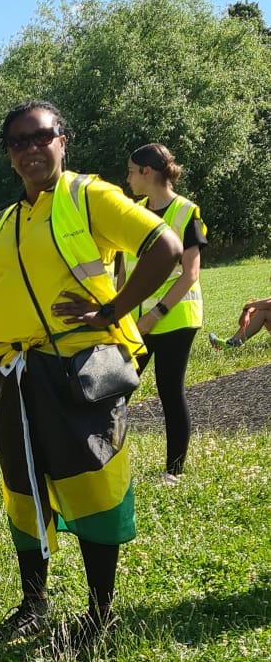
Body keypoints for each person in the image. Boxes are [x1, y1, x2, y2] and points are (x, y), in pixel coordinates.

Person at [0, 101, 183, 655]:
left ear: (62, 140)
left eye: (40, 136)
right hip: (12, 378)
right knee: (24, 493)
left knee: (92, 487)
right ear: (8, 155)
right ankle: (33, 603)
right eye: (17, 141)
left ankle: (98, 616)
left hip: (78, 372)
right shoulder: (1, 223)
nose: (30, 148)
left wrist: (114, 309)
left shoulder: (87, 196)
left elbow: (165, 247)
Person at [125, 143, 206, 482]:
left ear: (147, 172)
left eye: (131, 172)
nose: (127, 179)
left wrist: (155, 314)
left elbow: (190, 273)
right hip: (137, 319)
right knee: (117, 388)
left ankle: (174, 472)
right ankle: (103, 466)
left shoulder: (187, 211)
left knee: (169, 391)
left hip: (175, 316)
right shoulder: (133, 212)